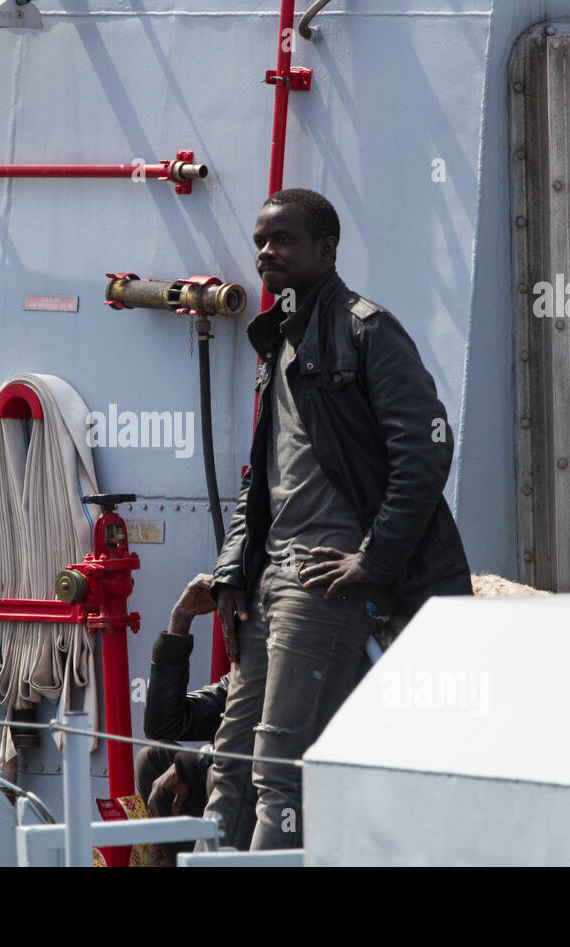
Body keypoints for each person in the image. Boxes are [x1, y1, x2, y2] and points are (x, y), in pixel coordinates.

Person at [204, 188, 472, 851]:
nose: (267, 251)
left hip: (322, 582)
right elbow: (260, 480)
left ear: (326, 251)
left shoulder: (365, 329)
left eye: (285, 240)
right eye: (262, 239)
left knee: (281, 771)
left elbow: (427, 446)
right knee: (231, 762)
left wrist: (374, 560)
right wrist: (233, 569)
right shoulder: (279, 339)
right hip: (272, 578)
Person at [134, 573, 224, 859]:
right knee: (154, 759)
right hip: (235, 769)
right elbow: (165, 723)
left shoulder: (308, 665)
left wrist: (192, 763)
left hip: (283, 784)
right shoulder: (252, 676)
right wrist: (181, 620)